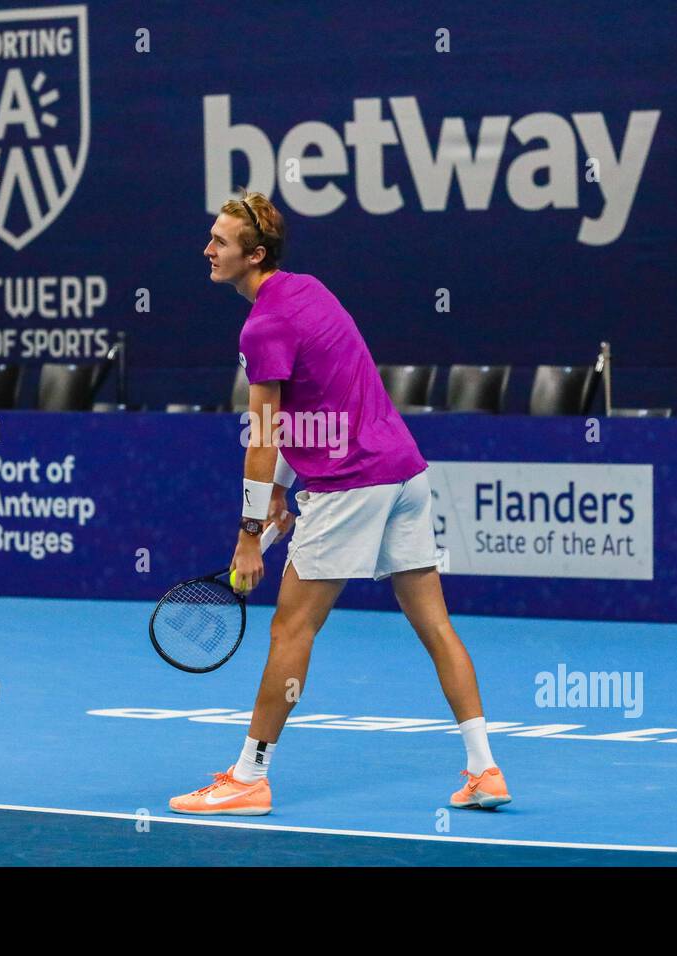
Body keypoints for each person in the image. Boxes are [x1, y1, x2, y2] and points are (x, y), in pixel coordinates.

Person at [168, 191, 510, 815]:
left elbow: (264, 434)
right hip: (404, 473)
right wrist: (279, 492)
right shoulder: (308, 290)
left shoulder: (262, 324)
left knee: (291, 628)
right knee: (435, 624)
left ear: (255, 254)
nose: (208, 249)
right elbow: (322, 395)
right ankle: (485, 768)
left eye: (220, 241)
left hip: (350, 485)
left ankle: (250, 777)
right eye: (210, 237)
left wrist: (249, 533)